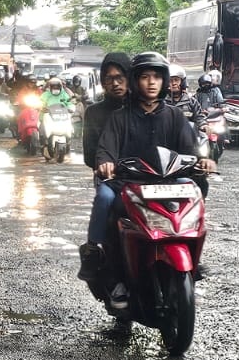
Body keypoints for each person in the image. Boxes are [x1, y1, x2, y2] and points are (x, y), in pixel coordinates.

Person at [80, 52, 217, 282]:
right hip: (127, 180)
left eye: (157, 77)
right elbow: (104, 149)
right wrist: (105, 163)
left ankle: (193, 252)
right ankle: (97, 253)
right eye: (145, 77)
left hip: (166, 181)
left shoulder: (174, 115)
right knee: (107, 201)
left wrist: (202, 161)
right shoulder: (119, 117)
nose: (151, 82)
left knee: (194, 190)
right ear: (136, 80)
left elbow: (189, 149)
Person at [82, 52, 131, 169]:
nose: (115, 84)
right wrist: (105, 164)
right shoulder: (93, 113)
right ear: (103, 82)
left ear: (129, 78)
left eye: (119, 78)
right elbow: (90, 155)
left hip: (143, 175)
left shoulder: (140, 109)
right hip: (108, 175)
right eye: (109, 78)